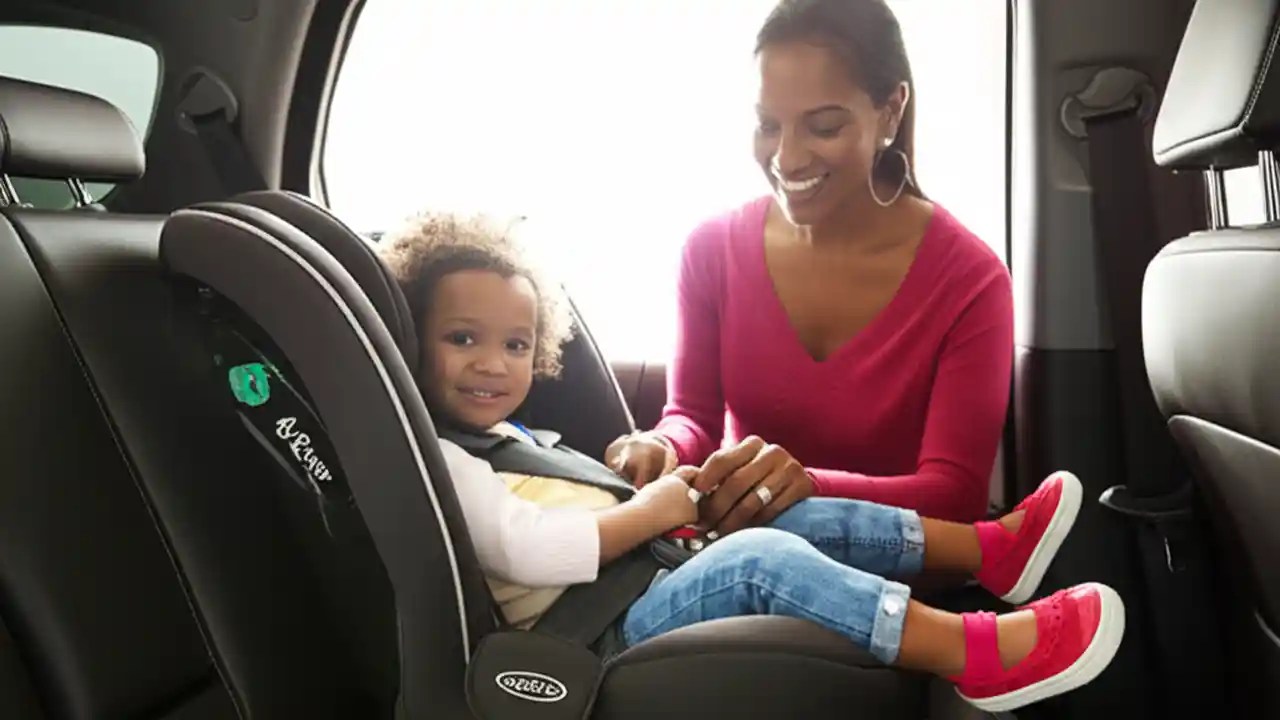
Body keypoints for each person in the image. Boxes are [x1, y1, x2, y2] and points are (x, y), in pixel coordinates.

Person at [376, 210, 1125, 713]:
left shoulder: (522, 443)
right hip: (595, 627)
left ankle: (992, 551)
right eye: (462, 339)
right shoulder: (446, 460)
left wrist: (656, 469)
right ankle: (974, 654)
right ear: (410, 342)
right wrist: (652, 512)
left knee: (789, 510)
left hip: (641, 574)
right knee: (762, 557)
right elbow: (531, 548)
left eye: (513, 345)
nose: (491, 365)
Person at [605, 0, 1014, 533]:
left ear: (890, 112)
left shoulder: (970, 281)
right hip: (738, 576)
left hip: (899, 589)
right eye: (768, 125)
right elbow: (692, 419)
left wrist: (810, 487)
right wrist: (661, 446)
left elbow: (954, 494)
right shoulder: (711, 250)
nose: (787, 158)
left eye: (822, 127)